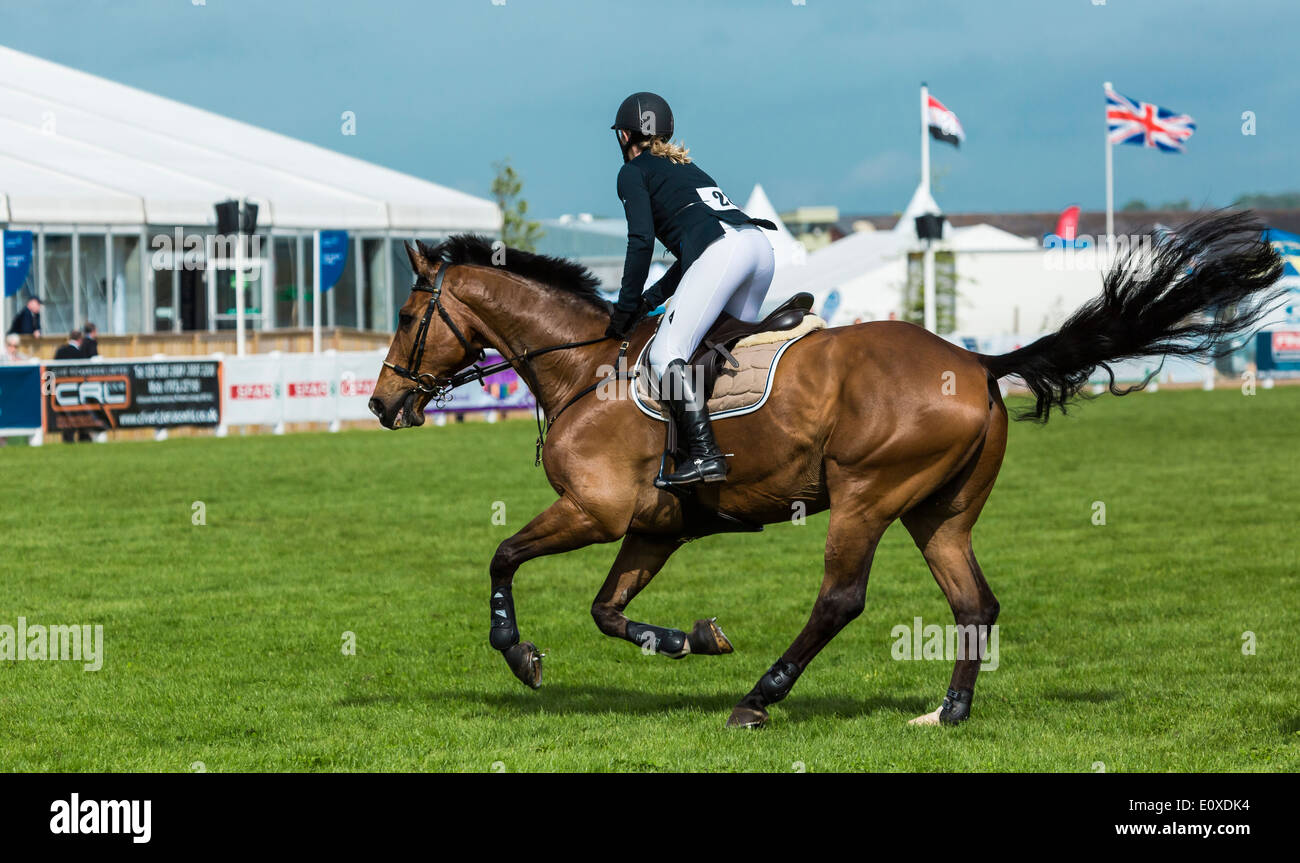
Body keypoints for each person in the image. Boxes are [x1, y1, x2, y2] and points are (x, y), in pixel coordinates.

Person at [606, 92, 776, 488]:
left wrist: (625, 307)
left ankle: (706, 456)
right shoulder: (686, 168)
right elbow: (691, 259)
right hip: (758, 249)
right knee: (722, 349)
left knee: (667, 355)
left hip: (724, 253)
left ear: (624, 135)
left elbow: (641, 242)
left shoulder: (633, 172)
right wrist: (649, 301)